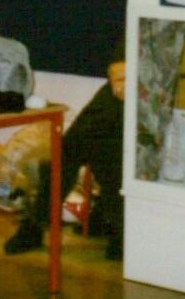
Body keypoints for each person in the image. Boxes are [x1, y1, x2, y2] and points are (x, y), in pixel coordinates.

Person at [7, 40, 126, 261]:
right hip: (125, 87)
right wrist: (120, 79)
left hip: (157, 92)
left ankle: (115, 222)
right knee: (68, 150)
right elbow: (124, 51)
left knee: (109, 149)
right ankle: (38, 222)